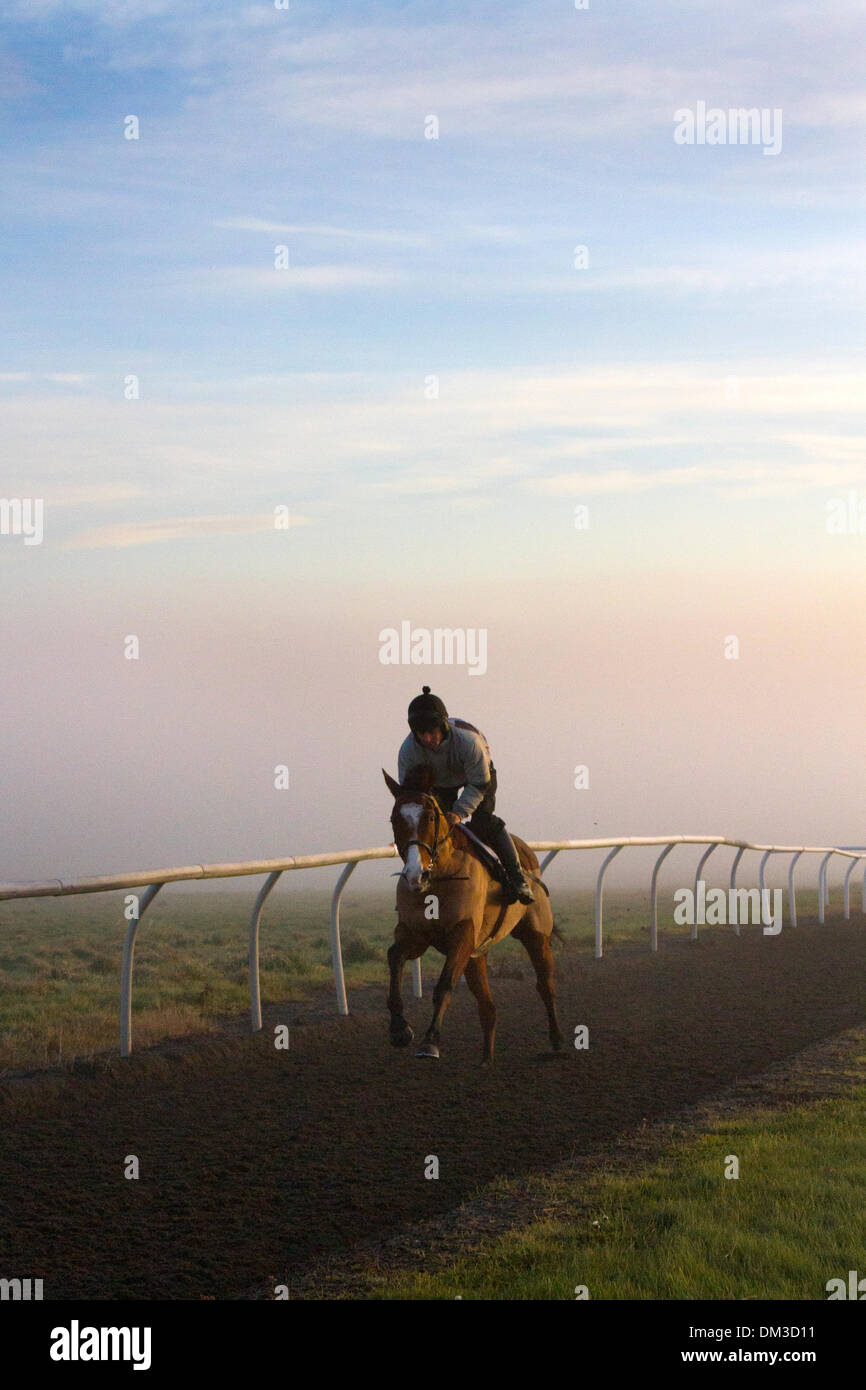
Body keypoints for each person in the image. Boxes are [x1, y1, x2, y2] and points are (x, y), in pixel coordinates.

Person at [397, 686, 535, 905]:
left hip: (479, 778)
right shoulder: (408, 751)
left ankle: (517, 879)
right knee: (432, 826)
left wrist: (458, 813)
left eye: (432, 732)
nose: (427, 739)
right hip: (440, 783)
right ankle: (422, 876)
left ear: (443, 727)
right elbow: (411, 795)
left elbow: (479, 784)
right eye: (421, 734)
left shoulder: (469, 743)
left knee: (483, 822)